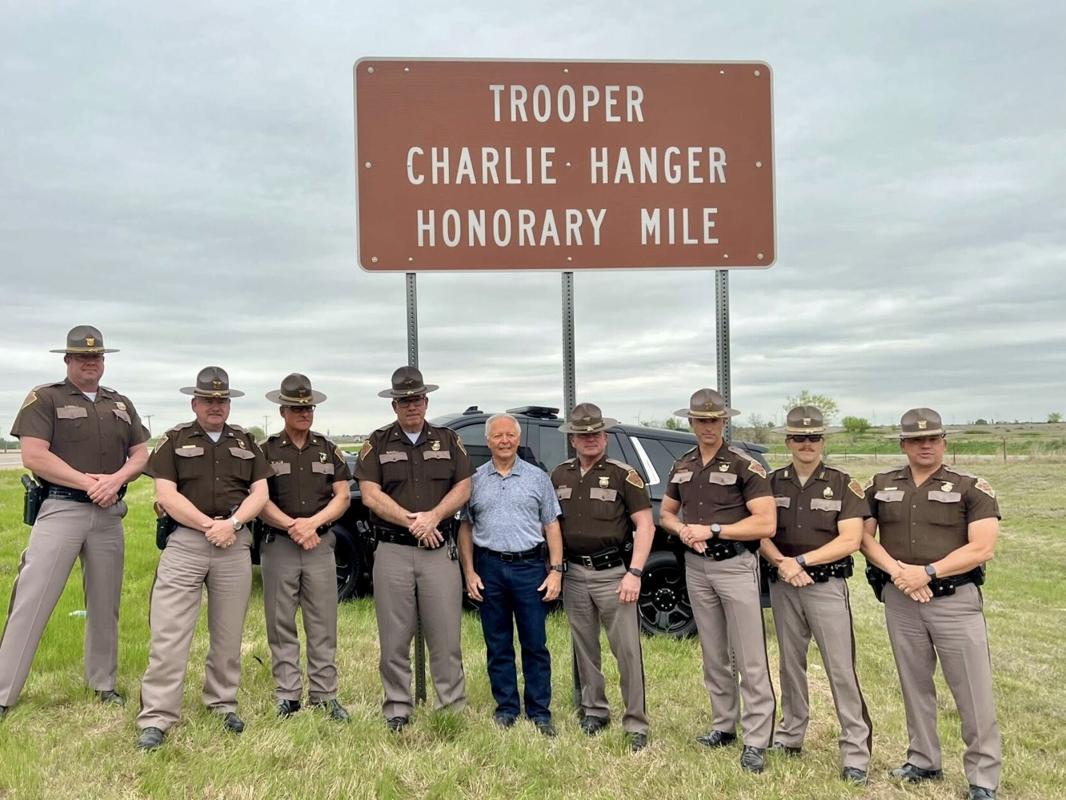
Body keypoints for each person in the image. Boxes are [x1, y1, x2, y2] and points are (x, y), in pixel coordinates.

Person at [1, 325, 148, 719]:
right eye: (82, 356)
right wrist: (87, 482)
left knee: (105, 603)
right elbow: (34, 454)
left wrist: (116, 480)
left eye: (96, 356)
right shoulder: (45, 398)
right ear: (67, 360)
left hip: (108, 514)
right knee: (32, 599)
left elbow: (140, 453)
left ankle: (102, 683)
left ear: (103, 361)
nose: (90, 362)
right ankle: (3, 692)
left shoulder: (121, 404)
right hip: (62, 508)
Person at [862, 408, 1001, 800]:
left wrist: (929, 572)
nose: (926, 445)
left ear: (944, 442)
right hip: (902, 598)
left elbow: (983, 547)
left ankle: (982, 778)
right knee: (914, 682)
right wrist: (901, 573)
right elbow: (864, 537)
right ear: (903, 444)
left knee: (973, 689)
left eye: (933, 439)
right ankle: (923, 759)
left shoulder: (971, 487)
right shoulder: (881, 484)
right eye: (917, 439)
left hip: (954, 600)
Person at [135, 367, 271, 750]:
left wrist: (233, 523)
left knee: (228, 634)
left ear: (229, 404)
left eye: (222, 400)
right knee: (169, 633)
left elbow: (260, 492)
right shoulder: (174, 440)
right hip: (187, 543)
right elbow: (166, 493)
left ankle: (222, 703)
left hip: (233, 544)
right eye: (208, 400)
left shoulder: (246, 441)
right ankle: (157, 717)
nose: (215, 406)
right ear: (194, 403)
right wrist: (208, 525)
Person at [660, 388, 777, 773]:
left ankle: (757, 738)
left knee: (749, 657)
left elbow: (765, 522)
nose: (708, 426)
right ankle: (723, 725)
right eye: (701, 420)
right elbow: (667, 513)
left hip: (736, 565)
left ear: (724, 422)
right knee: (713, 653)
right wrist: (682, 531)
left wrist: (712, 529)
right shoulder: (683, 464)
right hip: (697, 567)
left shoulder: (745, 465)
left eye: (715, 419)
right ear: (690, 422)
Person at [354, 366, 472, 731]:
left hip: (438, 551)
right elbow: (370, 494)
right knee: (394, 637)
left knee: (446, 636)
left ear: (426, 401)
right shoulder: (377, 442)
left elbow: (464, 486)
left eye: (417, 399)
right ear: (394, 405)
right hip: (392, 550)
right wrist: (413, 522)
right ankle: (396, 709)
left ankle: (451, 708)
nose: (411, 406)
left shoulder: (449, 439)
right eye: (404, 401)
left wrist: (433, 517)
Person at [760, 405, 871, 784]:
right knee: (791, 665)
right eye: (799, 437)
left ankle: (855, 752)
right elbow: (761, 532)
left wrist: (801, 562)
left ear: (823, 441)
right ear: (788, 441)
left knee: (840, 669)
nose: (807, 444)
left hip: (825, 585)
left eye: (814, 437)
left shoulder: (842, 483)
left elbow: (852, 539)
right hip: (784, 584)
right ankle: (791, 734)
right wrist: (781, 562)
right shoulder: (771, 482)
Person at [550, 403, 653, 752]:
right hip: (575, 573)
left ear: (604, 437)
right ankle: (594, 710)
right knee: (585, 648)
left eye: (596, 433)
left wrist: (635, 573)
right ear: (573, 440)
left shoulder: (625, 474)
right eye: (583, 435)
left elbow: (645, 524)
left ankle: (636, 721)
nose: (590, 439)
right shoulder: (559, 475)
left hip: (614, 574)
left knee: (626, 650)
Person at [458, 413, 563, 735]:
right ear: (488, 441)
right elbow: (465, 527)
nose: (504, 441)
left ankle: (539, 711)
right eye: (498, 436)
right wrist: (470, 572)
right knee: (498, 643)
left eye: (510, 435)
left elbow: (551, 525)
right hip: (489, 568)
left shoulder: (537, 478)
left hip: (530, 568)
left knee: (535, 643)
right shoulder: (473, 480)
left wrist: (556, 570)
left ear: (518, 439)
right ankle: (506, 708)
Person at [259, 374, 352, 721]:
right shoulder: (265, 450)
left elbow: (342, 496)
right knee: (280, 622)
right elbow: (259, 498)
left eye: (308, 407)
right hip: (280, 544)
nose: (304, 413)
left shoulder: (327, 449)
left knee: (323, 621)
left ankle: (325, 694)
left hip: (319, 544)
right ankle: (288, 694)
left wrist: (312, 525)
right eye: (297, 408)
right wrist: (292, 526)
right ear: (282, 410)